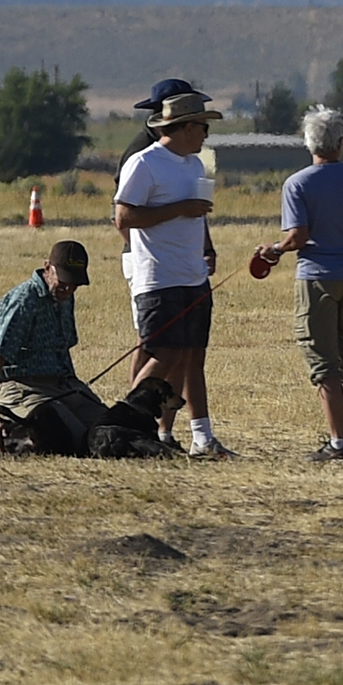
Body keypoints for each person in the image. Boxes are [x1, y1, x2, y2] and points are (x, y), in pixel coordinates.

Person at [247, 105, 343, 462]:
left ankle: (337, 442)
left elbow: (298, 236)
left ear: (309, 144)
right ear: (341, 142)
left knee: (325, 367)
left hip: (316, 279)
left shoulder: (297, 183)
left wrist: (273, 249)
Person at [111, 83, 232, 457]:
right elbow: (124, 218)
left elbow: (197, 210)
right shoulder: (144, 163)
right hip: (158, 277)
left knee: (193, 356)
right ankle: (122, 428)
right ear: (183, 127)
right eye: (202, 126)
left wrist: (205, 246)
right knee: (162, 355)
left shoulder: (194, 164)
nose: (206, 133)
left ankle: (202, 438)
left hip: (193, 275)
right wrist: (179, 209)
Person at [0, 239, 98, 453]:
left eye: (75, 284)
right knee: (79, 440)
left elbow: (63, 350)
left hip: (61, 386)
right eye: (63, 281)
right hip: (23, 388)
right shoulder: (24, 302)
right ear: (47, 268)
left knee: (110, 428)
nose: (69, 288)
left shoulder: (65, 297)